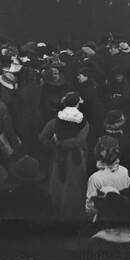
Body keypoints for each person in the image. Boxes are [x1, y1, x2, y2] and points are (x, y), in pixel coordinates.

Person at [39, 94, 90, 222]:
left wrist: (55, 145)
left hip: (58, 157)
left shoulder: (53, 122)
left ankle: (57, 214)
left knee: (58, 185)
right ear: (78, 105)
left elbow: (42, 137)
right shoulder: (84, 123)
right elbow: (80, 141)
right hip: (76, 159)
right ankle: (73, 216)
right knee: (75, 188)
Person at [85, 135, 130, 220]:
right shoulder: (125, 171)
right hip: (123, 219)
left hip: (103, 220)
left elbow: (90, 208)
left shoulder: (95, 178)